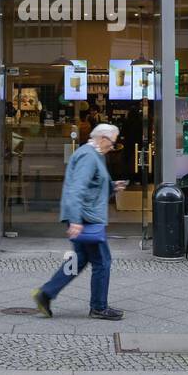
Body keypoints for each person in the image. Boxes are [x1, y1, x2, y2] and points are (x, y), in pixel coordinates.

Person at [31, 124, 126, 320]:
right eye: (113, 143)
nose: (113, 147)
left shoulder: (94, 155)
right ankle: (99, 307)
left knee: (81, 259)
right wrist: (75, 221)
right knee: (102, 261)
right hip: (86, 218)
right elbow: (76, 188)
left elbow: (92, 186)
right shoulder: (89, 156)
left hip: (84, 216)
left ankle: (46, 294)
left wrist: (111, 187)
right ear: (102, 138)